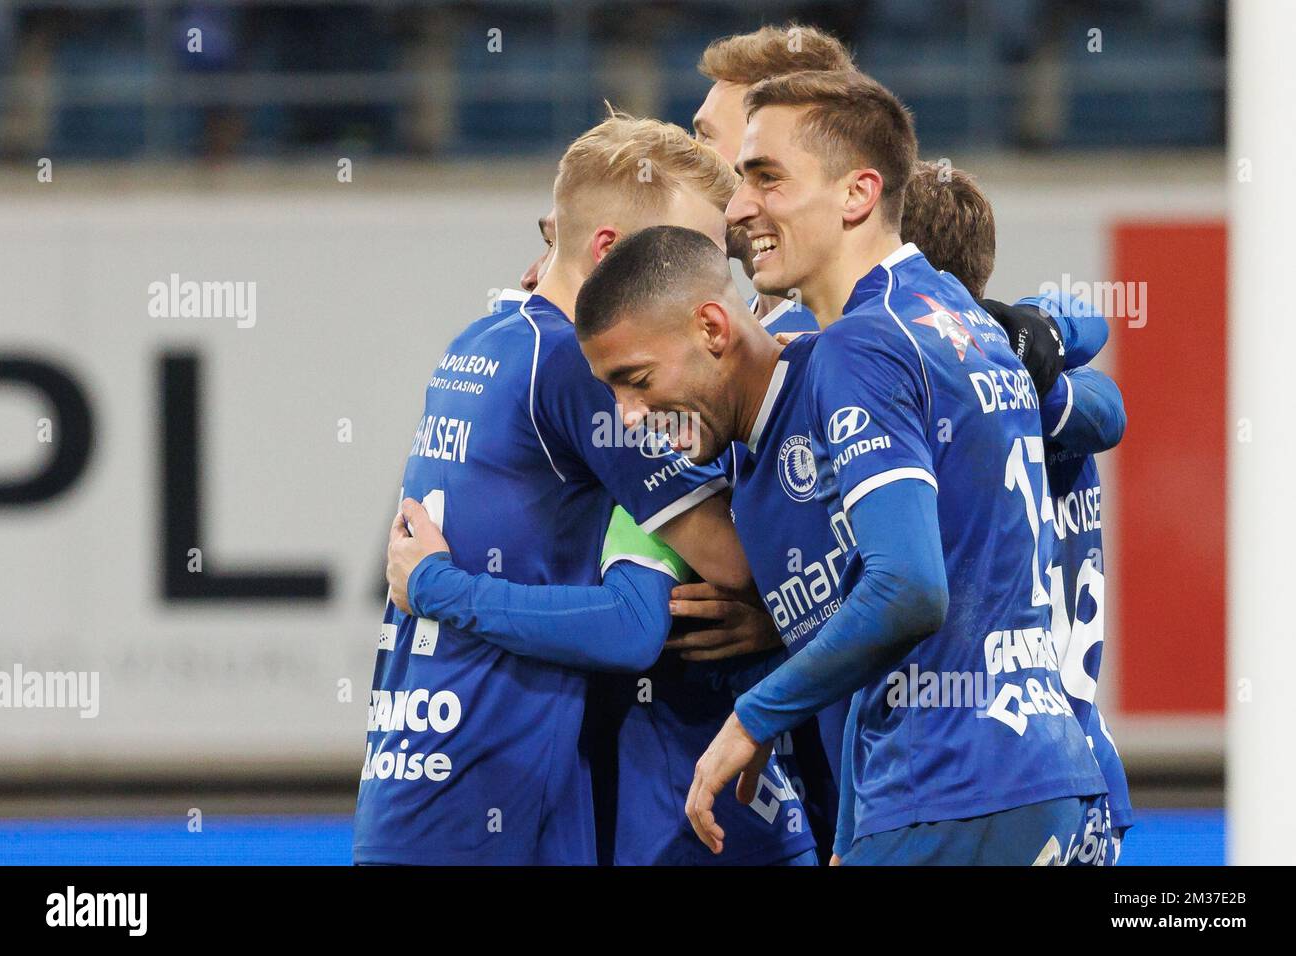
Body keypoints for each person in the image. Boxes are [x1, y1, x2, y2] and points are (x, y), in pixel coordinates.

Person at [579, 70, 1108, 866]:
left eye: (765, 177)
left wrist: (754, 716)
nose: (739, 206)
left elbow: (907, 588)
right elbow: (1092, 402)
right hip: (1041, 778)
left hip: (950, 792)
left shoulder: (864, 345)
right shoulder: (948, 313)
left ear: (858, 193)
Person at [354, 113, 755, 866]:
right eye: (688, 260)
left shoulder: (484, 340)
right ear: (609, 253)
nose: (714, 293)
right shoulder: (582, 368)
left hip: (422, 763)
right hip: (489, 785)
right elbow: (729, 564)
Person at [900, 158, 1133, 862]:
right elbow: (1095, 374)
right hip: (1076, 763)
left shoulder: (913, 389)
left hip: (979, 774)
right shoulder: (1026, 373)